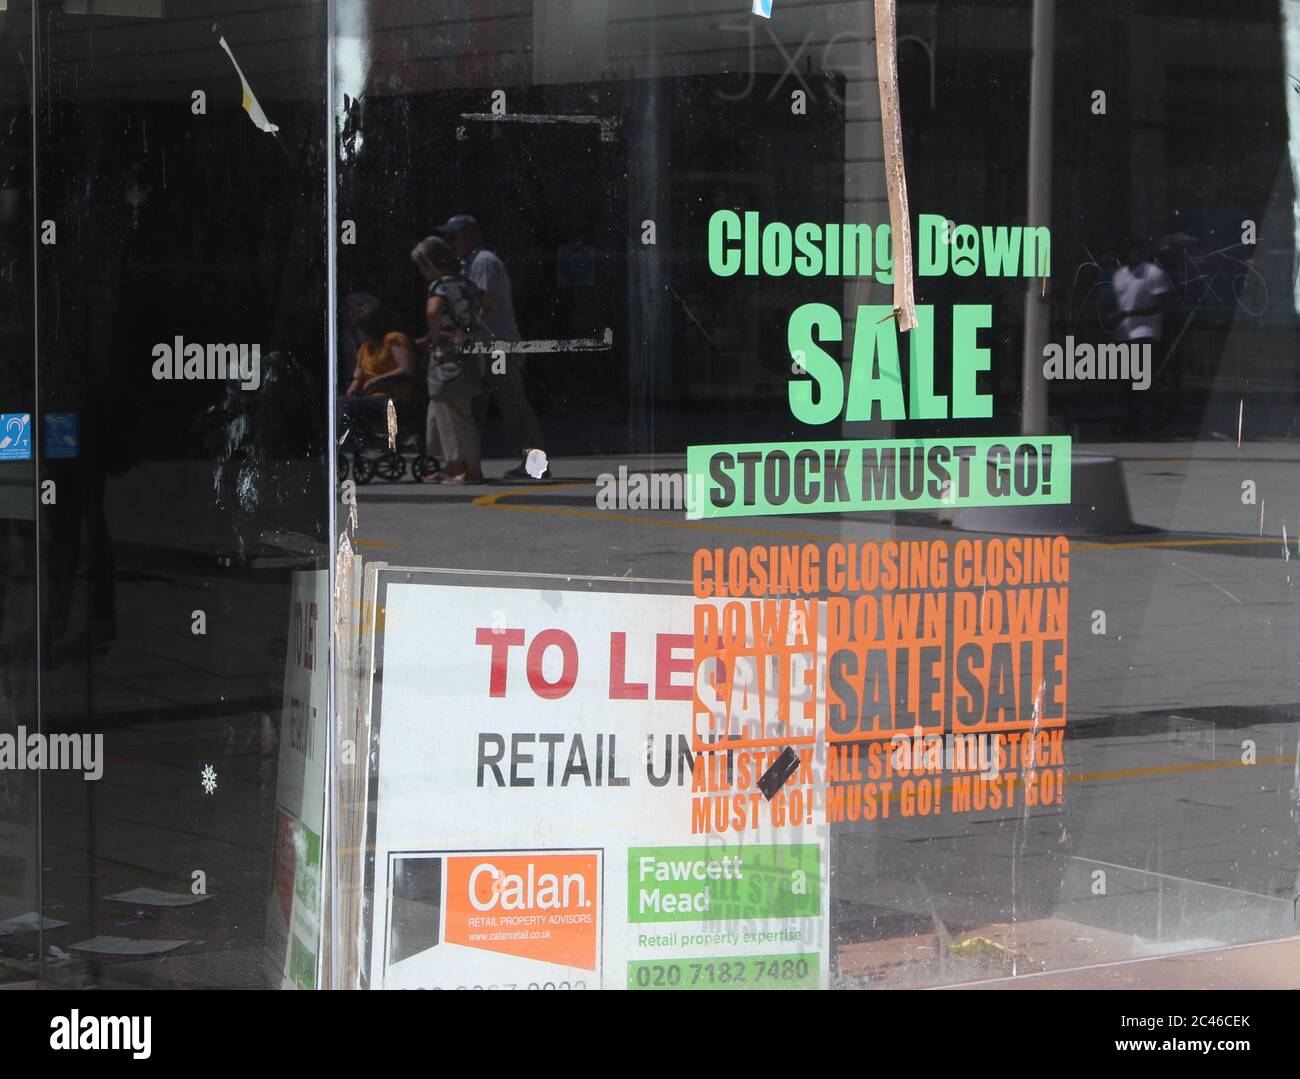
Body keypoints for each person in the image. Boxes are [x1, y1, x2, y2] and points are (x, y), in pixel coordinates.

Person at [434, 214, 548, 480]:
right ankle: (463, 463)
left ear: (470, 237)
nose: (449, 243)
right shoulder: (467, 264)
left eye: (454, 238)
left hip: (497, 346)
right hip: (480, 347)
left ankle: (535, 464)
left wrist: (463, 332)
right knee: (472, 406)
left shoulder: (484, 262)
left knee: (512, 404)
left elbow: (485, 304)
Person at [412, 234, 485, 484]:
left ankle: (471, 470)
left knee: (454, 414)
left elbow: (433, 310)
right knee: (450, 411)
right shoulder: (466, 284)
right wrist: (470, 328)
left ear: (431, 264)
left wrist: (434, 336)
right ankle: (455, 466)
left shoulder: (440, 287)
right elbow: (489, 303)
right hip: (469, 355)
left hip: (447, 360)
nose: (421, 273)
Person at [1107, 236, 1178, 427]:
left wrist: (1130, 313)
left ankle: (1153, 417)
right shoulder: (1119, 275)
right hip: (1124, 334)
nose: (1129, 255)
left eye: (1133, 250)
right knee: (1126, 381)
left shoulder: (1152, 273)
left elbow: (1162, 303)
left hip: (1145, 332)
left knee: (1141, 378)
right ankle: (1132, 419)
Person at [339, 301, 419, 434]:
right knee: (342, 403)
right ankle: (350, 445)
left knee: (346, 404)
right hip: (371, 398)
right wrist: (352, 390)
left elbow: (406, 369)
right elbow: (357, 378)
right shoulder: (365, 348)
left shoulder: (393, 339)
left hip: (393, 397)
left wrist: (376, 381)